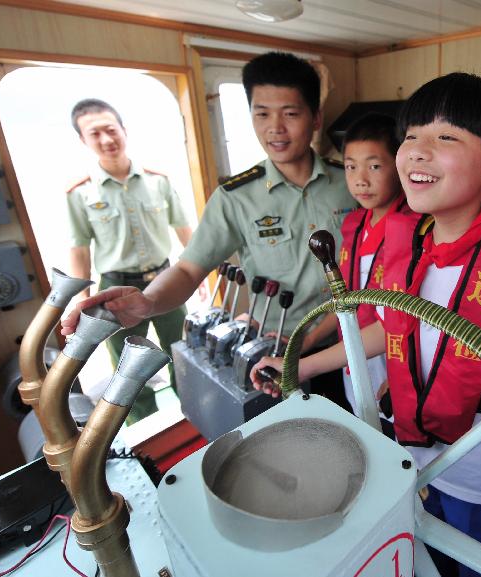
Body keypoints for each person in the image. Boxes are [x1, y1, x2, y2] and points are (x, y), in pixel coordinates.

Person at [252, 72, 481, 577]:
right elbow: (390, 328)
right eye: (411, 136)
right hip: (410, 454)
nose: (418, 152)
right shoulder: (407, 243)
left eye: (446, 137)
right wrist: (301, 364)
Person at [62, 52, 358, 405]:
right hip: (280, 347)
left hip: (355, 337)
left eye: (290, 114)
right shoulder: (235, 198)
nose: (275, 128)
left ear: (315, 118)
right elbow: (189, 269)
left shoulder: (353, 182)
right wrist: (150, 301)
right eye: (262, 114)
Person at [66, 98, 194, 423]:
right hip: (114, 286)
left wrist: (198, 275)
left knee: (182, 352)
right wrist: (82, 301)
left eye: (111, 129)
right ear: (83, 140)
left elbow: (183, 229)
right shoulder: (80, 193)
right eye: (95, 133)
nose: (106, 139)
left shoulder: (158, 181)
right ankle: (145, 428)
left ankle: (193, 414)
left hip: (164, 279)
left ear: (123, 130)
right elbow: (79, 249)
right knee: (128, 367)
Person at [338, 112, 408, 432]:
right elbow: (344, 298)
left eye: (375, 166)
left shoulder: (413, 228)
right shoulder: (353, 225)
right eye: (351, 166)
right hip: (352, 356)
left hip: (392, 362)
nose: (360, 179)